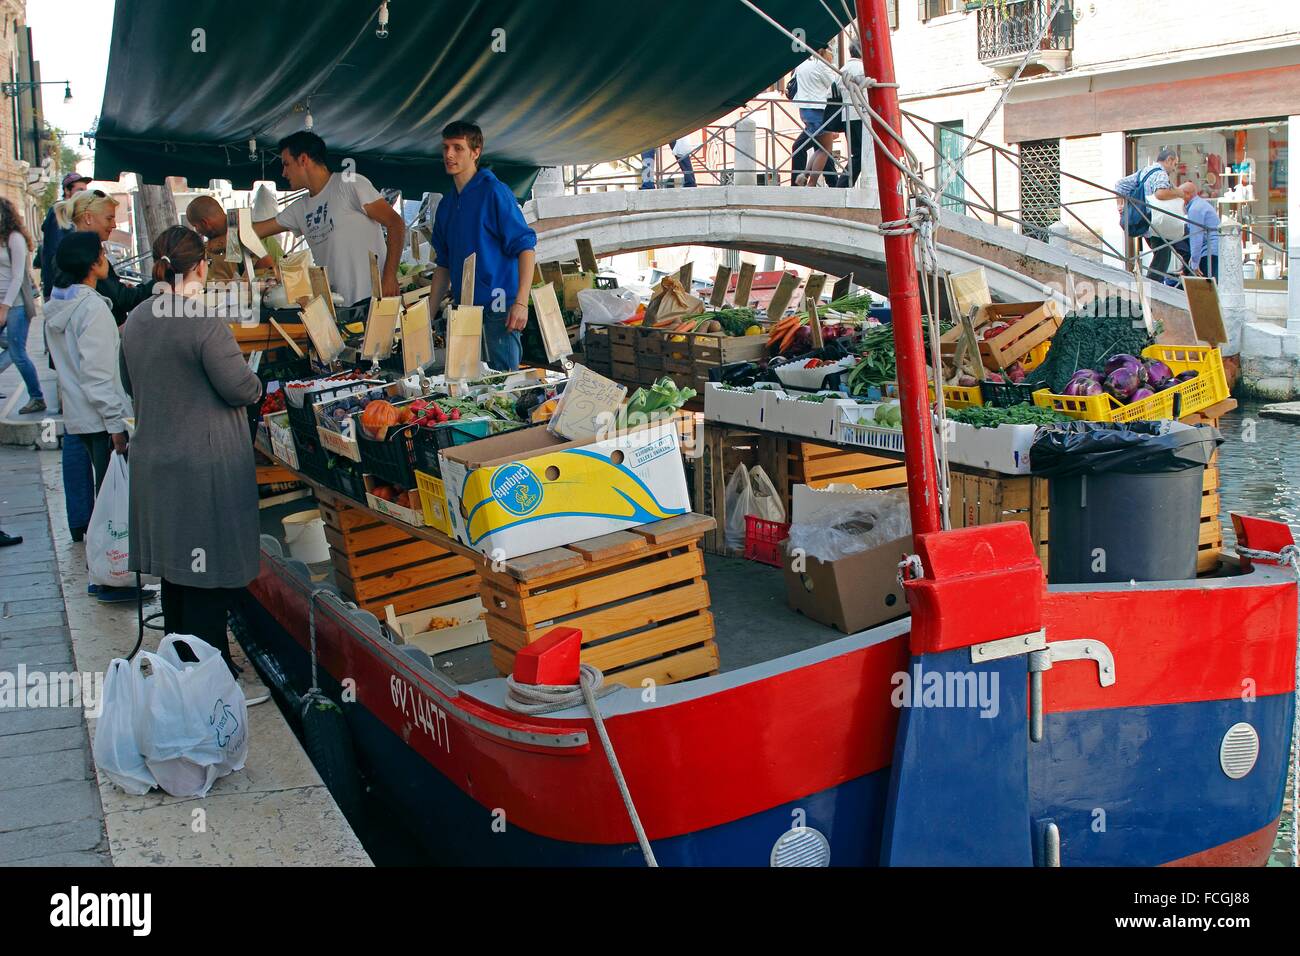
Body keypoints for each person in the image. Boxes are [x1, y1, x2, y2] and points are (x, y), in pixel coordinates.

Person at [120, 226, 263, 676]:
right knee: (204, 575)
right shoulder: (204, 324)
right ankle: (207, 673)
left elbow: (130, 385)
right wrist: (257, 381)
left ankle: (179, 662)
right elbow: (240, 388)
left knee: (176, 572)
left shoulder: (137, 318)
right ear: (201, 266)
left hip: (154, 461)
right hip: (200, 466)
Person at [45, 232, 138, 603]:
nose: (106, 258)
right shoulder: (92, 309)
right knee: (111, 503)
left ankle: (106, 572)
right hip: (102, 419)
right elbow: (99, 376)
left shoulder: (58, 305)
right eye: (102, 253)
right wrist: (118, 425)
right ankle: (109, 577)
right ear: (90, 264)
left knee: (105, 498)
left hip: (80, 416)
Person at [428, 120, 538, 372]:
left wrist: (521, 303)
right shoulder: (446, 205)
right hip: (463, 313)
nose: (449, 154)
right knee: (466, 387)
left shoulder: (495, 192)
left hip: (499, 312)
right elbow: (442, 264)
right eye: (445, 148)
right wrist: (429, 315)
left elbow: (526, 248)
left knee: (502, 388)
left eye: (458, 148)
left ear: (475, 152)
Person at [252, 131, 405, 308]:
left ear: (303, 159)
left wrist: (389, 276)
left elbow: (396, 223)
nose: (284, 173)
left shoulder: (349, 185)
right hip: (337, 308)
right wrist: (223, 231)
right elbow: (254, 231)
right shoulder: (299, 209)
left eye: (286, 164)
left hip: (374, 301)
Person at [53, 189, 154, 326]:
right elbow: (122, 299)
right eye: (109, 218)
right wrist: (160, 282)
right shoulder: (85, 254)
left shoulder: (69, 250)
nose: (114, 224)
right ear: (88, 218)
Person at [0, 197, 44, 414]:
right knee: (14, 349)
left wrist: (5, 306)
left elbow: (18, 277)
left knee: (18, 353)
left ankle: (37, 397)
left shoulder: (15, 239)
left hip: (15, 305)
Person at [1114, 147, 1184, 282]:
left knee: (1161, 254)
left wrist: (1120, 205)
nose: (1174, 169)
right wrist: (1178, 193)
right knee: (1163, 256)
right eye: (1175, 164)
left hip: (1144, 220)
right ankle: (1152, 288)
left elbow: (1120, 185)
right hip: (1155, 221)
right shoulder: (1161, 174)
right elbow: (1160, 193)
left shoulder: (1145, 171)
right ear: (1169, 160)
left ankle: (1152, 286)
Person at [789, 46, 839, 187]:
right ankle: (811, 183)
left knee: (820, 147)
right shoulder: (821, 66)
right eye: (832, 53)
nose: (832, 56)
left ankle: (803, 176)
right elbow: (834, 84)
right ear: (824, 52)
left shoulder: (802, 65)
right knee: (825, 149)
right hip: (819, 111)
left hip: (804, 111)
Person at [41, 172, 91, 299]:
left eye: (85, 190)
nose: (84, 194)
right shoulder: (59, 211)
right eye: (80, 190)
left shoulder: (75, 213)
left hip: (70, 286)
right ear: (67, 191)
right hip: (61, 288)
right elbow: (55, 251)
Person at [835, 42, 867, 188]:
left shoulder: (842, 70)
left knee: (856, 153)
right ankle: (844, 184)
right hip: (862, 115)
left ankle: (845, 183)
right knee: (862, 155)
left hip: (846, 116)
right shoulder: (863, 69)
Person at [1183, 180, 1221, 281]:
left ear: (1187, 194)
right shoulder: (1199, 205)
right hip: (1213, 250)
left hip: (1209, 252)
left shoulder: (1195, 209)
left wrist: (1195, 263)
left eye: (1179, 194)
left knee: (1207, 289)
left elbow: (1196, 237)